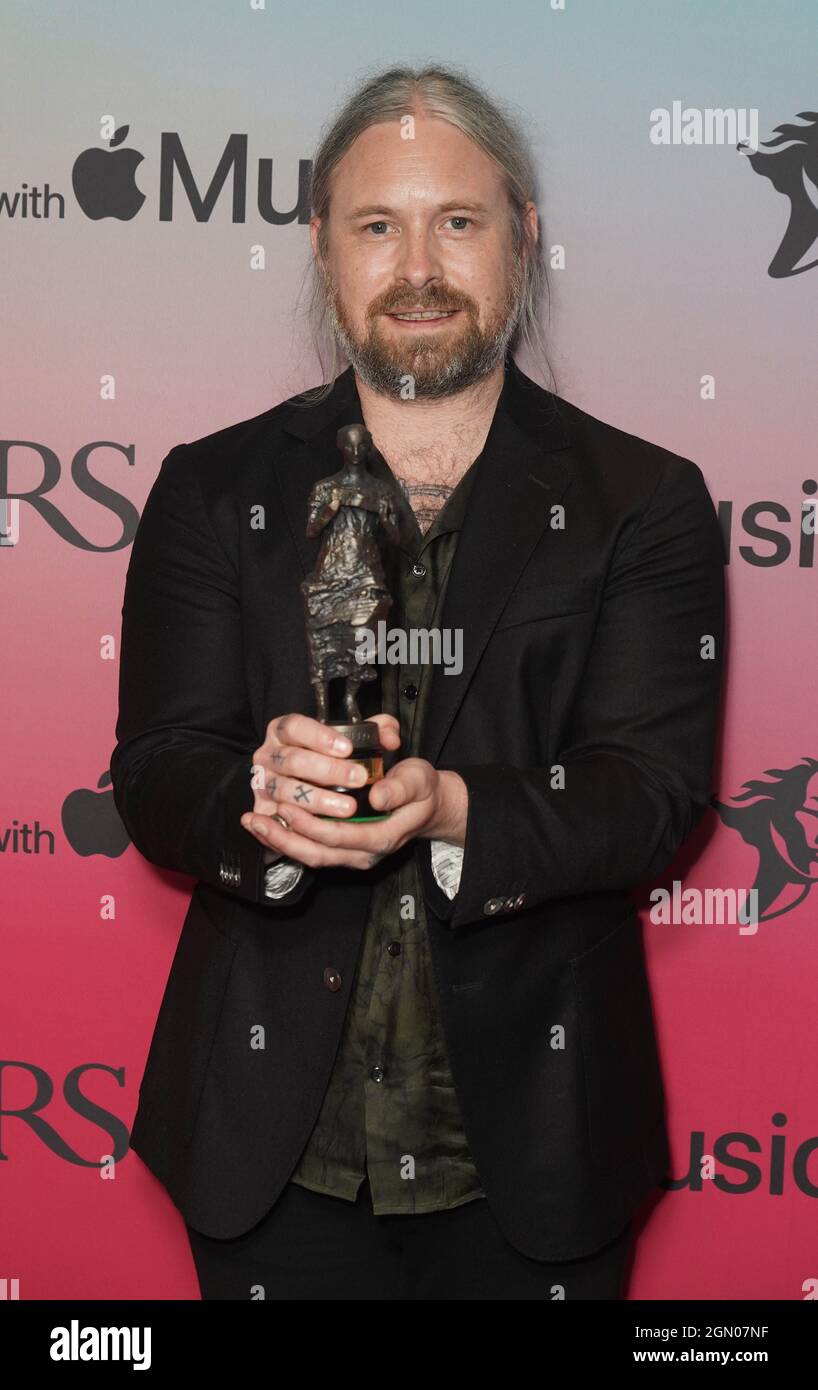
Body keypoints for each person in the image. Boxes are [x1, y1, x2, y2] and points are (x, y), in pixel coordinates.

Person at [111, 64, 725, 1300]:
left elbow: (653, 796)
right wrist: (256, 795)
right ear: (323, 250)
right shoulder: (211, 487)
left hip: (535, 1154)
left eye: (458, 221)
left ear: (524, 238)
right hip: (270, 1152)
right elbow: (156, 767)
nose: (418, 267)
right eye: (376, 225)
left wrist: (458, 810)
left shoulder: (642, 502)